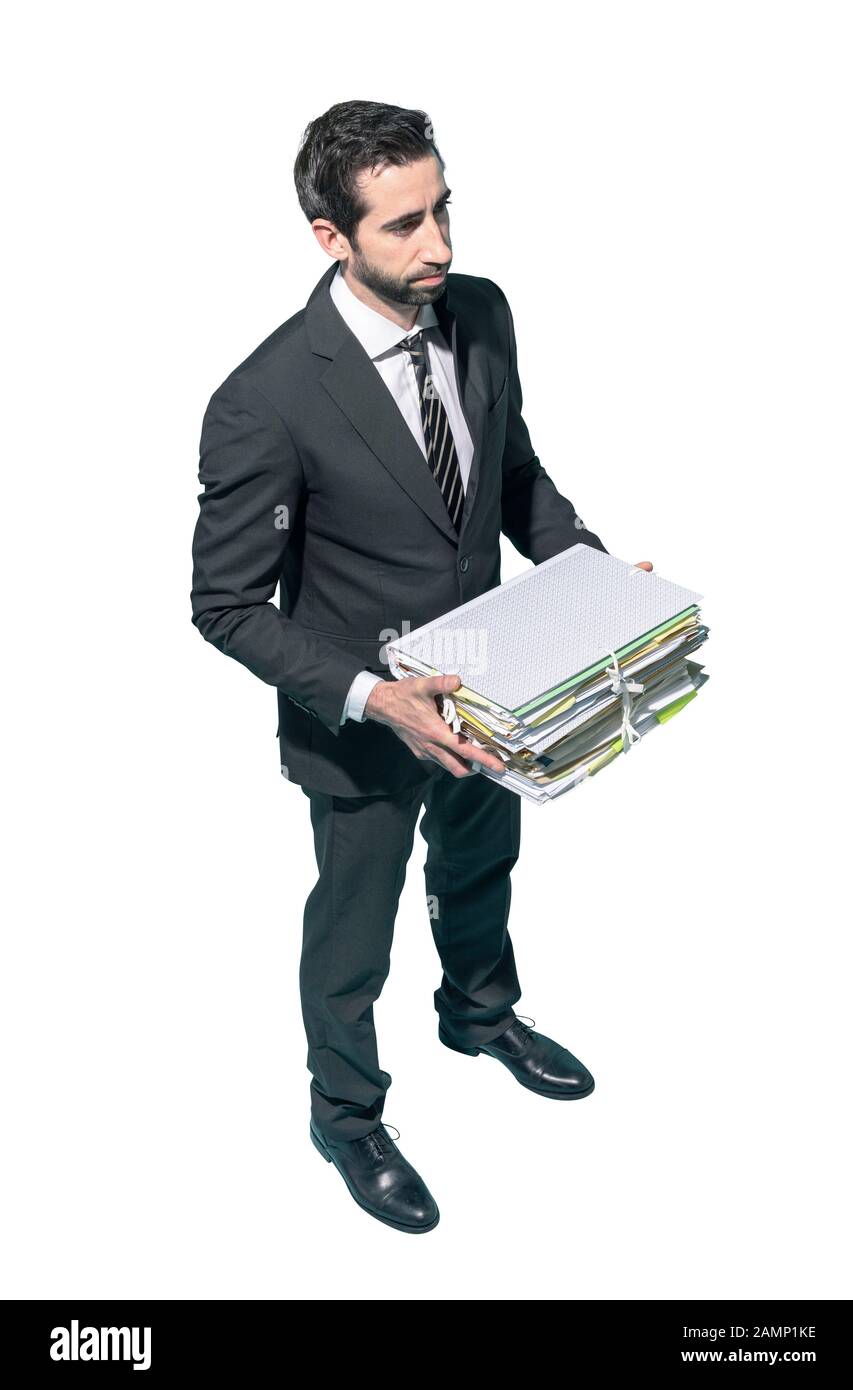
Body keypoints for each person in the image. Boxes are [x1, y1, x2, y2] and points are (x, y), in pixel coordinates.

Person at [190, 99, 653, 1235]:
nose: (438, 244)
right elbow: (223, 605)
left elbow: (514, 482)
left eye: (441, 207)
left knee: (483, 862)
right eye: (403, 225)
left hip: (499, 683)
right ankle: (345, 1113)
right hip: (362, 724)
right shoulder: (265, 399)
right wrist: (370, 696)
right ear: (329, 236)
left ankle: (480, 1012)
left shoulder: (480, 313)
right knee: (353, 932)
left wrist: (594, 583)